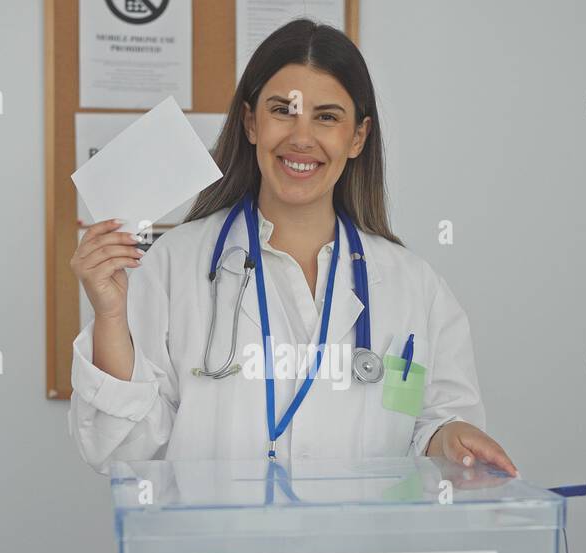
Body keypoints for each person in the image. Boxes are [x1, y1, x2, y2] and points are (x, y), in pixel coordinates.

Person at [68, 19, 518, 478]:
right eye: (283, 110)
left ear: (358, 137)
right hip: (217, 546)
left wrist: (449, 436)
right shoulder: (173, 265)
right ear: (251, 123)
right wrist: (108, 316)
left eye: (326, 116)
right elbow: (122, 450)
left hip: (356, 547)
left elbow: (433, 424)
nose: (301, 138)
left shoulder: (414, 285)